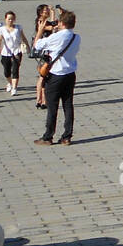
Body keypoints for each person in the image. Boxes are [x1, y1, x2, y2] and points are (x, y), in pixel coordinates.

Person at [34, 9, 80, 147]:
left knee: (52, 106)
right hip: (70, 74)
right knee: (68, 104)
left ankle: (48, 136)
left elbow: (37, 45)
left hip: (56, 74)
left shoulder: (57, 36)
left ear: (61, 23)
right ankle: (67, 136)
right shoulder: (76, 37)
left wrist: (40, 30)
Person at [31, 5, 54, 109]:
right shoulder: (40, 21)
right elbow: (50, 27)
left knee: (44, 76)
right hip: (43, 52)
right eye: (45, 11)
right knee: (43, 76)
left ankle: (41, 100)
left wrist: (53, 12)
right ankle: (41, 100)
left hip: (46, 51)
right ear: (40, 12)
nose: (47, 12)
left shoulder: (46, 21)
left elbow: (53, 24)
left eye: (47, 11)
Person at [0, 11, 26, 94]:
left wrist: (27, 46)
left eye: (12, 19)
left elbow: (23, 37)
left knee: (15, 69)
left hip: (17, 51)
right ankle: (10, 83)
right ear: (5, 19)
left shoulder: (18, 28)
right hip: (6, 52)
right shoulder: (1, 29)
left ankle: (14, 88)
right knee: (6, 72)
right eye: (9, 19)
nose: (10, 21)